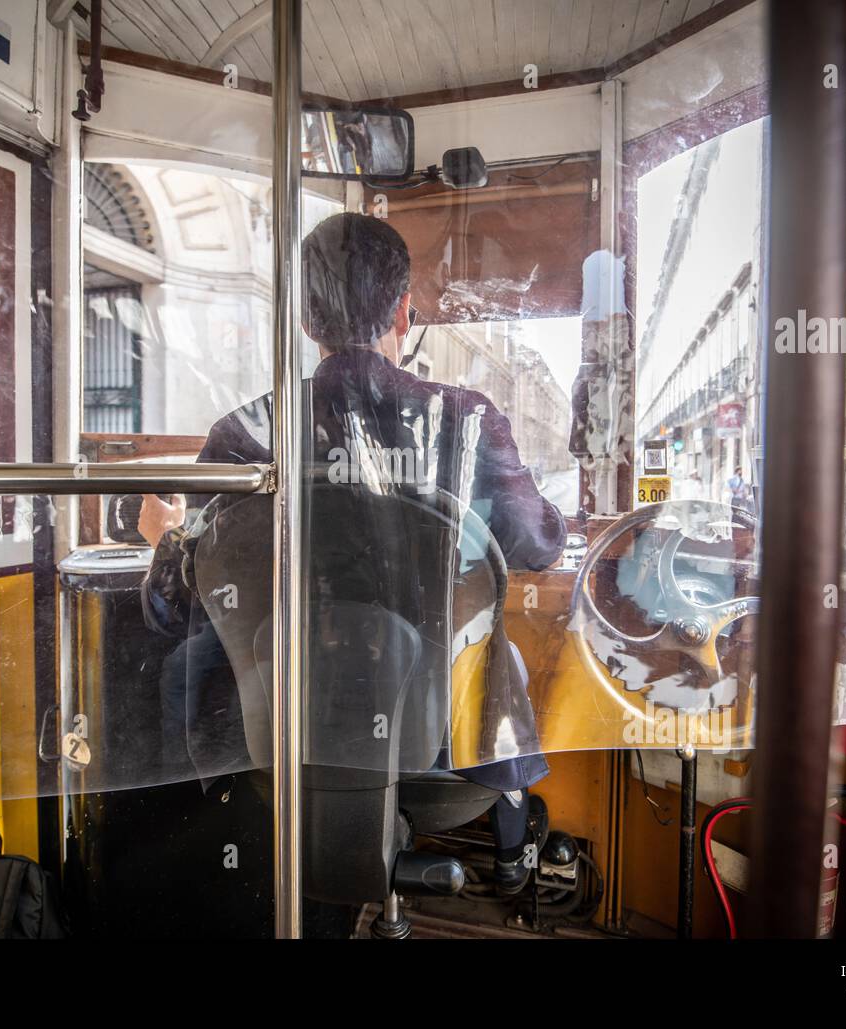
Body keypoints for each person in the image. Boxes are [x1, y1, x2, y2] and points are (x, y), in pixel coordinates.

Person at [139, 212, 566, 893]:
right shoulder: (469, 419)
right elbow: (540, 544)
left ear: (306, 321)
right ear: (403, 309)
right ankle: (515, 858)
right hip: (438, 750)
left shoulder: (244, 435)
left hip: (284, 737)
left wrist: (164, 535)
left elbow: (167, 609)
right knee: (498, 654)